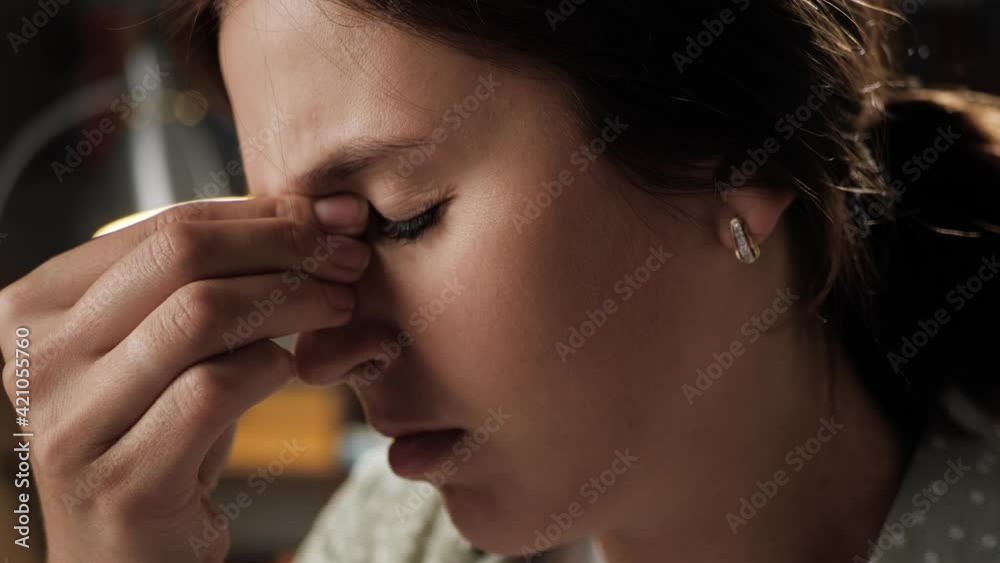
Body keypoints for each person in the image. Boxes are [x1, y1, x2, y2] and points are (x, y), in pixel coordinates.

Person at [2, 0, 998, 561]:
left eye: (399, 215)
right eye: (292, 241)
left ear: (733, 152)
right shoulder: (396, 541)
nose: (322, 346)